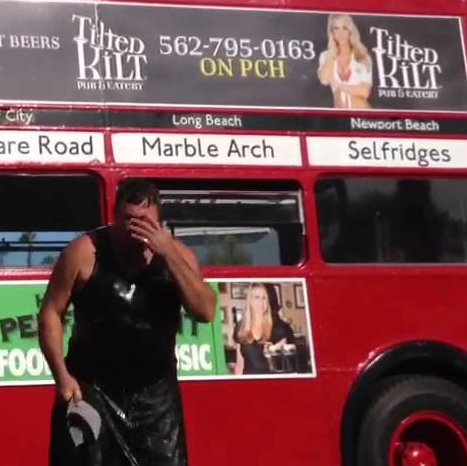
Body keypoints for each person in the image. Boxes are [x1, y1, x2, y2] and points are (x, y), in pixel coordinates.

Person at [39, 179, 217, 466]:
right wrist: (62, 376)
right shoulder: (84, 252)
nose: (135, 228)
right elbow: (50, 312)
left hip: (156, 398)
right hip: (92, 389)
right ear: (114, 216)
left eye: (144, 221)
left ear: (159, 222)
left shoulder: (178, 256)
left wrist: (168, 252)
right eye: (127, 220)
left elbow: (205, 311)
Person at [231, 282, 294, 375]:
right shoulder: (240, 327)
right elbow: (240, 364)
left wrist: (271, 353)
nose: (261, 302)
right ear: (250, 301)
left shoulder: (278, 327)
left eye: (264, 298)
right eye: (257, 297)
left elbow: (284, 365)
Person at [316, 13, 373, 109]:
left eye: (344, 28)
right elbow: (324, 80)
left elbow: (365, 92)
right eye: (336, 28)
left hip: (363, 113)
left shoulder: (362, 57)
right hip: (340, 114)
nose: (340, 33)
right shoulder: (325, 56)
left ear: (350, 31)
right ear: (332, 32)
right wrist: (331, 54)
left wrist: (339, 85)